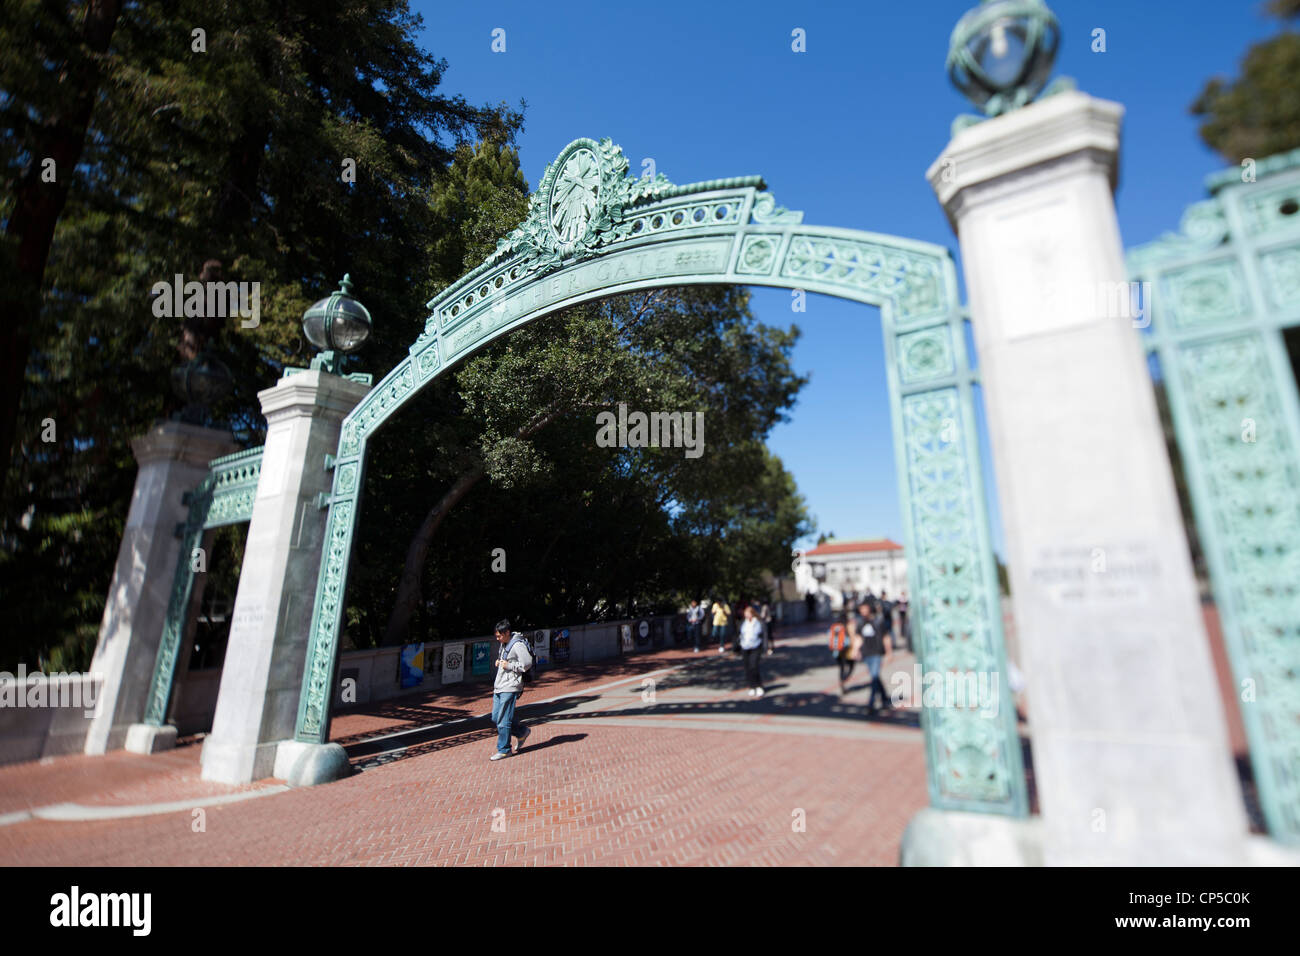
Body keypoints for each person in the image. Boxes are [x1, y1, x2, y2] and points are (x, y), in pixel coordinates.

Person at [489, 619, 533, 761]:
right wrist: (500, 663)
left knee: (503, 719)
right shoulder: (504, 644)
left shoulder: (517, 644)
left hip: (510, 685)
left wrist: (508, 666)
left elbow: (527, 664)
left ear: (507, 632)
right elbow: (506, 660)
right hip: (500, 685)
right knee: (496, 717)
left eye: (499, 636)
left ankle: (504, 750)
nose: (497, 639)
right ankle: (521, 732)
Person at [857, 599, 892, 714]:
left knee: (874, 677)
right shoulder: (860, 622)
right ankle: (885, 699)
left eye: (864, 609)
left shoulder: (878, 621)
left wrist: (889, 652)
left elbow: (886, 637)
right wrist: (856, 650)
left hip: (877, 653)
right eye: (861, 609)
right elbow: (858, 638)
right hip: (866, 653)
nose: (863, 611)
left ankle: (870, 703)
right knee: (875, 677)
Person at [739, 604, 765, 697]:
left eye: (748, 613)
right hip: (745, 647)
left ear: (752, 614)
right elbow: (740, 633)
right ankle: (751, 686)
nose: (746, 615)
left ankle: (759, 686)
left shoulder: (758, 622)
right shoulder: (743, 623)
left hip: (755, 646)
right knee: (747, 668)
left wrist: (765, 647)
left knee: (754, 666)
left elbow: (763, 634)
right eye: (745, 613)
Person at [830, 610, 856, 695]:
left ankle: (842, 682)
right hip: (846, 649)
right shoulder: (848, 624)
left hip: (836, 650)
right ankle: (844, 680)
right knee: (851, 665)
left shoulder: (835, 626)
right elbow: (852, 637)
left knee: (841, 668)